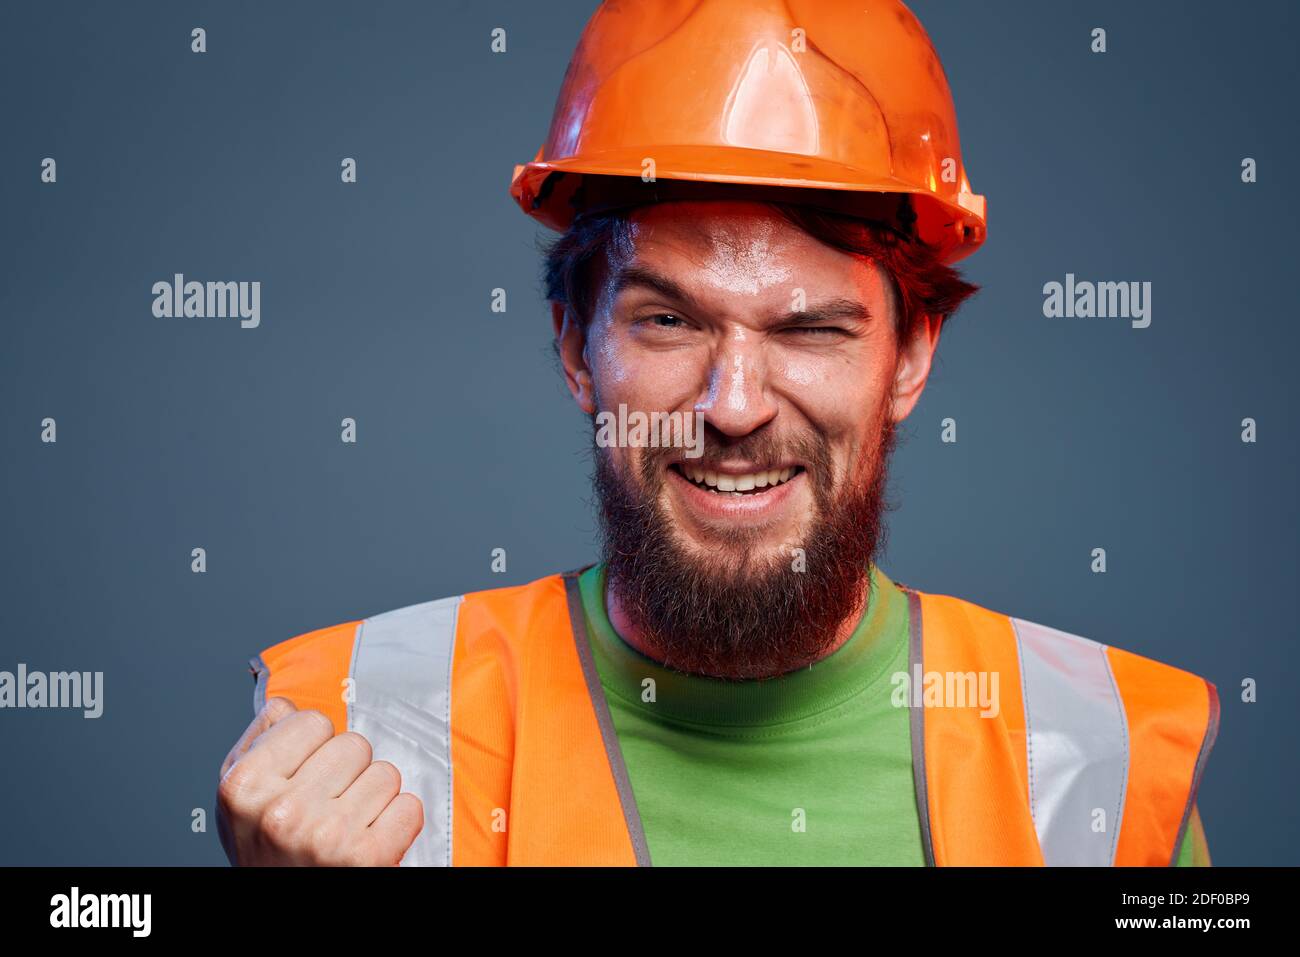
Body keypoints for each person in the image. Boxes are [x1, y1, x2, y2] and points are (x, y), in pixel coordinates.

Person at [216, 0, 1217, 867]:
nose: (733, 406)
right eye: (668, 320)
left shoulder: (1100, 759)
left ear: (910, 355)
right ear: (574, 346)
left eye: (812, 327)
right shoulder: (358, 730)